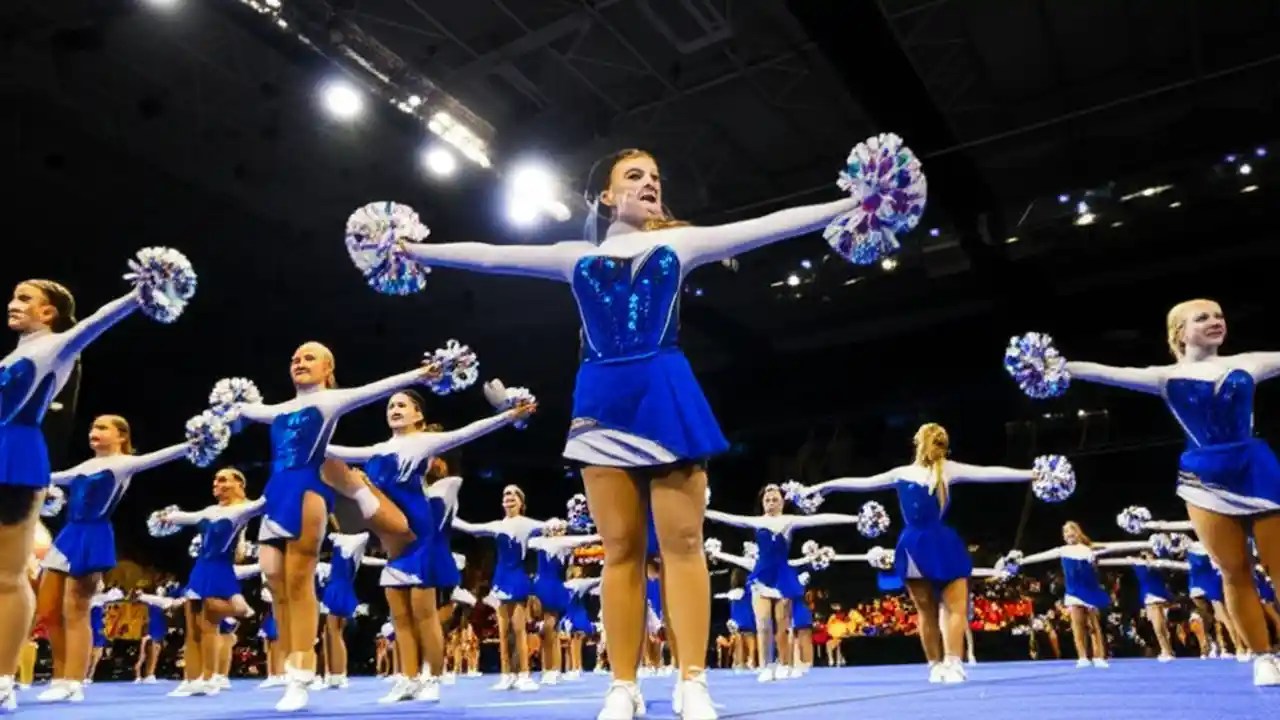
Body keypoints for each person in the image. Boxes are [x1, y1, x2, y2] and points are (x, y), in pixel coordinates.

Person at [385, 148, 860, 720]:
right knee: (620, 552)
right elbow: (489, 256)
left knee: (683, 545)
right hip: (601, 402)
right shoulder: (574, 256)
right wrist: (414, 250)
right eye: (635, 176)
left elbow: (760, 228)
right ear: (606, 197)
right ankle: (623, 684)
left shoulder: (679, 244)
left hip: (665, 390)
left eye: (657, 177)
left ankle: (692, 681)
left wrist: (850, 204)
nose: (650, 183)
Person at [1018, 299, 1280, 684]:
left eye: (1220, 315)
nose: (1215, 322)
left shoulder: (1250, 363)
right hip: (1204, 478)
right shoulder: (1163, 376)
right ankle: (1262, 657)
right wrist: (1058, 368)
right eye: (1202, 317)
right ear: (1178, 333)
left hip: (1255, 468)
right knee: (1234, 571)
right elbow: (1107, 373)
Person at [796, 423, 1054, 683]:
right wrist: (1032, 474)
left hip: (912, 544)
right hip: (941, 542)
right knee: (955, 608)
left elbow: (860, 483)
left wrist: (825, 486)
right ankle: (953, 663)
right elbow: (990, 473)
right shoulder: (948, 468)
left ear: (917, 442)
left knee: (926, 611)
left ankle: (934, 666)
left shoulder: (902, 472)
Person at [36, 415, 197, 702]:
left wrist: (197, 441)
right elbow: (49, 477)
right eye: (91, 427)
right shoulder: (86, 466)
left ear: (121, 436)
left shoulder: (124, 463)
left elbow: (160, 456)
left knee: (76, 610)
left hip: (93, 534)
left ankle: (73, 681)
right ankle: (59, 676)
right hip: (67, 535)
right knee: (47, 610)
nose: (93, 432)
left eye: (101, 427)